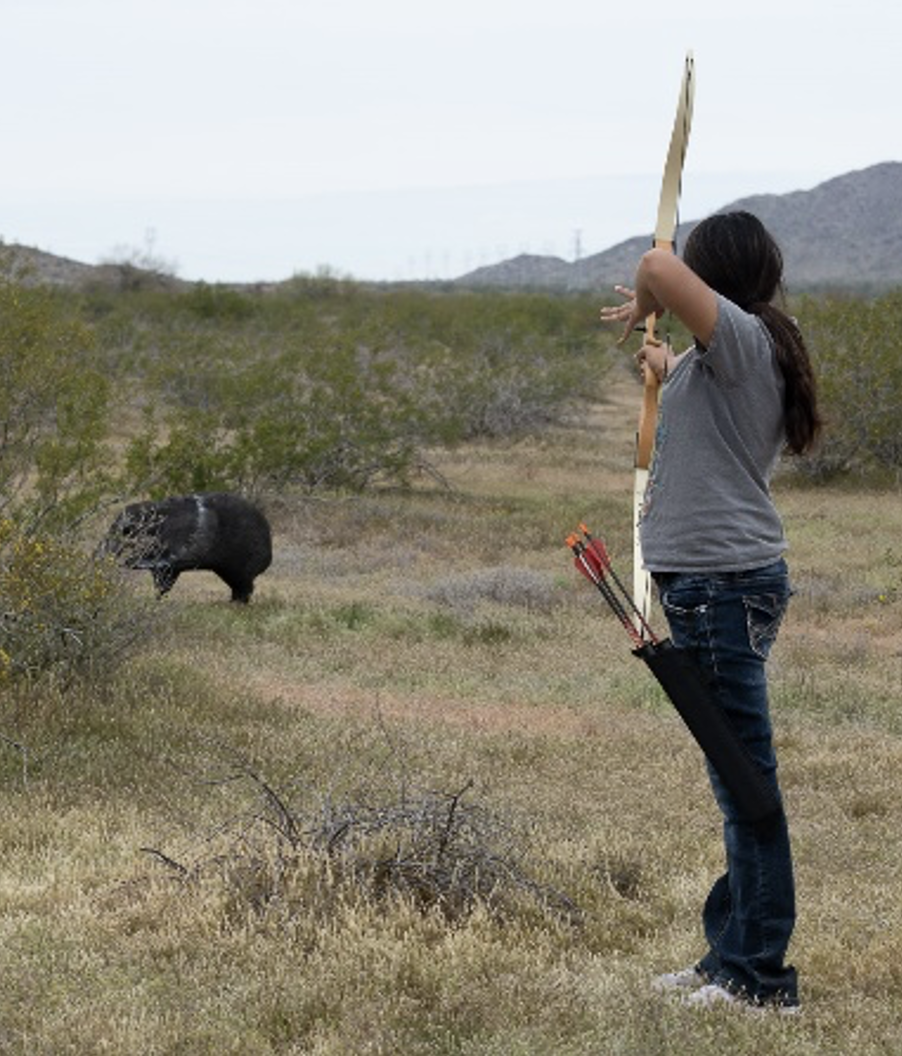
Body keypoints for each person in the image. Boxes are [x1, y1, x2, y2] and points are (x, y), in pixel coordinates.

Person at [600, 211, 821, 1013]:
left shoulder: (742, 338)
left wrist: (646, 297)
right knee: (736, 780)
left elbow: (656, 266)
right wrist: (657, 360)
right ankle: (730, 952)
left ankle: (760, 978)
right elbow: (687, 394)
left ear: (715, 272)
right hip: (710, 586)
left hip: (723, 588)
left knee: (747, 786)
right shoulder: (723, 352)